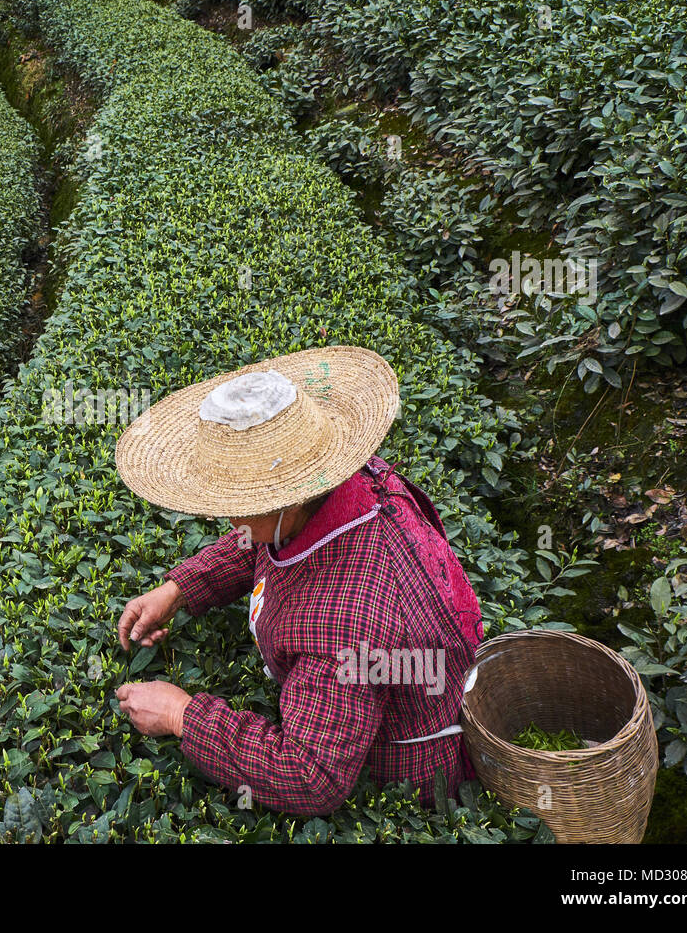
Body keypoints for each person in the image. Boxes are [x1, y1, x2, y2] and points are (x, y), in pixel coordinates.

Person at [112, 345, 486, 817]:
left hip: (396, 777)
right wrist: (179, 590)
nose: (226, 519)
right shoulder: (341, 487)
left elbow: (308, 778)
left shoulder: (350, 615)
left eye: (237, 504)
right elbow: (265, 538)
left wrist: (180, 715)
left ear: (290, 495)